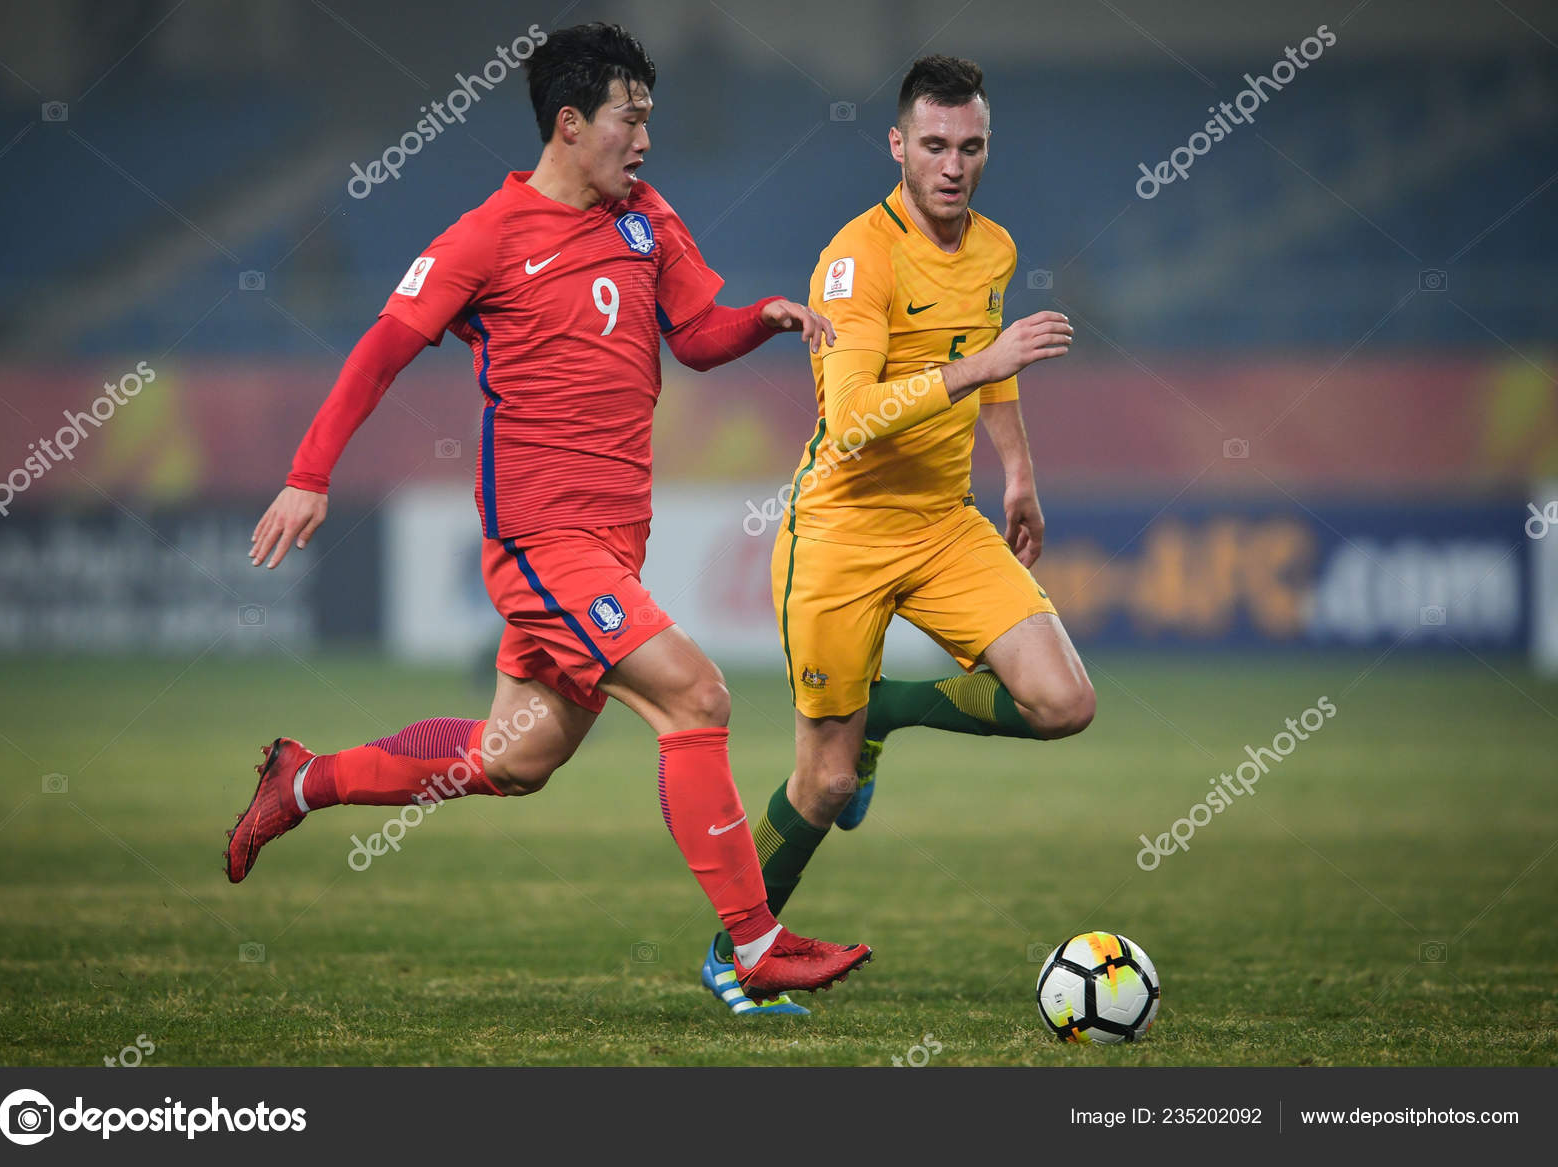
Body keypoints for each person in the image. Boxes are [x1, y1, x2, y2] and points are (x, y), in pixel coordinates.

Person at [228, 22, 871, 1003]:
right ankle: (752, 944)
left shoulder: (646, 217)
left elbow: (696, 336)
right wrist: (308, 473)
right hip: (540, 545)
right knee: (696, 699)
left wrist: (765, 319)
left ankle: (303, 779)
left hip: (614, 547)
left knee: (513, 758)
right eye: (631, 118)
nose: (646, 140)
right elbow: (379, 352)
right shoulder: (485, 238)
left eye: (649, 119)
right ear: (571, 124)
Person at [699, 54, 1092, 1016]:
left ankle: (891, 709)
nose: (953, 165)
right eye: (933, 146)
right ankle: (734, 955)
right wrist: (982, 366)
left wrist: (1022, 471)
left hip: (943, 522)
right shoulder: (854, 259)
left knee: (1063, 702)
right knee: (824, 782)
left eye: (971, 147)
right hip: (841, 531)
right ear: (898, 147)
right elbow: (854, 413)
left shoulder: (992, 250)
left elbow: (988, 369)